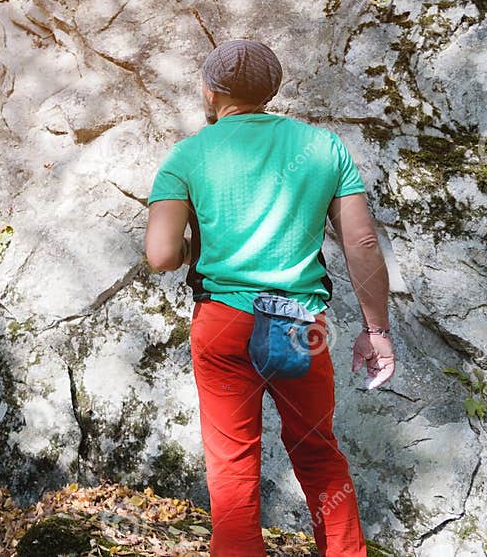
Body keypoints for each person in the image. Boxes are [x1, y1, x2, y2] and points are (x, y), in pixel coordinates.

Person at [143, 39, 395, 556]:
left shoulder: (189, 154)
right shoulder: (324, 148)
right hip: (301, 324)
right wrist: (376, 331)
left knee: (233, 465)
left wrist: (202, 236)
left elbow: (162, 255)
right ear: (271, 91)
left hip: (223, 323)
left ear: (209, 92)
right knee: (320, 454)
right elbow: (362, 243)